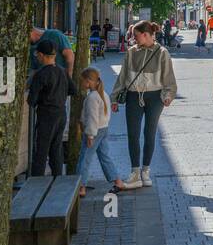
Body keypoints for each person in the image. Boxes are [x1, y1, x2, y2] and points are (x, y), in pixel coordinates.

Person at [110, 20, 177, 188]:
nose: (133, 39)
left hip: (155, 98)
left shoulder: (162, 53)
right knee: (132, 134)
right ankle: (135, 172)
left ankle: (145, 171)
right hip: (133, 96)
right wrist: (115, 97)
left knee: (150, 133)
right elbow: (123, 76)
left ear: (146, 35)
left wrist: (168, 95)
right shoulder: (131, 52)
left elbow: (169, 78)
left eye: (136, 36)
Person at [75, 67, 133, 196]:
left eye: (82, 81)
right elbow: (104, 116)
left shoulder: (92, 97)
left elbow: (92, 118)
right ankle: (117, 181)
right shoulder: (103, 94)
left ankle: (81, 187)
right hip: (103, 129)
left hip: (94, 131)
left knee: (84, 158)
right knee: (104, 156)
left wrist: (90, 135)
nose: (81, 84)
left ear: (89, 81)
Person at [28, 39, 72, 177]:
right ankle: (57, 180)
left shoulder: (40, 74)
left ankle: (36, 184)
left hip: (46, 116)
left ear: (41, 55)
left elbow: (32, 100)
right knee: (56, 149)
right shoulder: (62, 71)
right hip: (61, 114)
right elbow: (73, 89)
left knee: (41, 151)